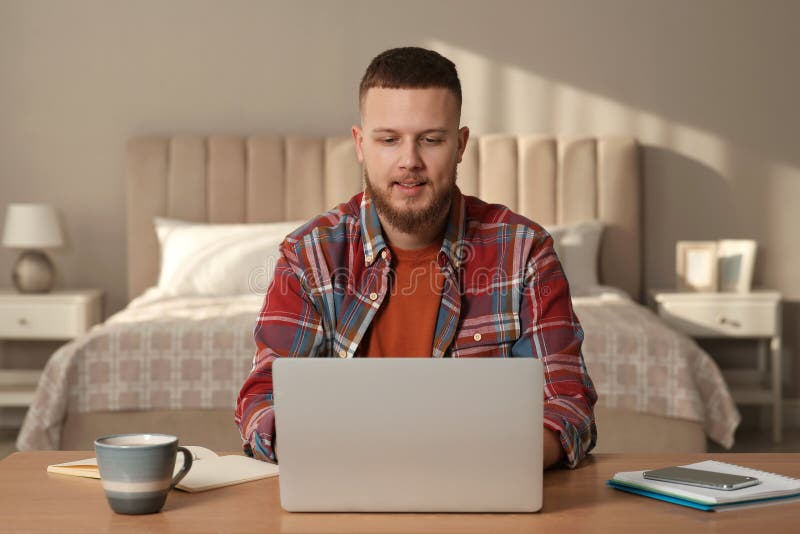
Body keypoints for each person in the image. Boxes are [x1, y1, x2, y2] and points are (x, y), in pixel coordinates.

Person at [235, 47, 597, 469]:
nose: (410, 161)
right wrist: (322, 448)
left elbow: (567, 404)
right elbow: (263, 400)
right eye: (388, 140)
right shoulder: (308, 256)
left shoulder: (525, 251)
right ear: (360, 144)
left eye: (431, 139)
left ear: (460, 145)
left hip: (484, 496)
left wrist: (481, 463)